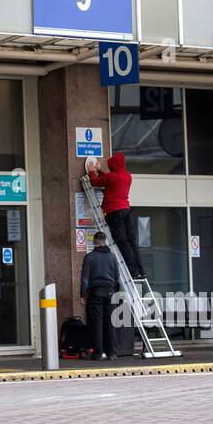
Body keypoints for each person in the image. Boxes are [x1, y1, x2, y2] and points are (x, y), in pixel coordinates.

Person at [87, 152, 144, 280]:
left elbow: (95, 182)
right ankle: (140, 270)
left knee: (122, 242)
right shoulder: (127, 176)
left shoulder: (112, 177)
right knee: (131, 241)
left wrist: (91, 171)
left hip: (114, 212)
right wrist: (100, 170)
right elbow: (110, 180)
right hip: (126, 211)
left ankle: (133, 271)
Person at [80, 231, 118, 360]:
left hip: (96, 292)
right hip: (110, 291)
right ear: (105, 241)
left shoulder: (90, 257)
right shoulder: (112, 257)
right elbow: (117, 277)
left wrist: (83, 294)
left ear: (94, 242)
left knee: (97, 322)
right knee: (110, 322)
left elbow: (85, 278)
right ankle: (112, 353)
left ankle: (98, 353)